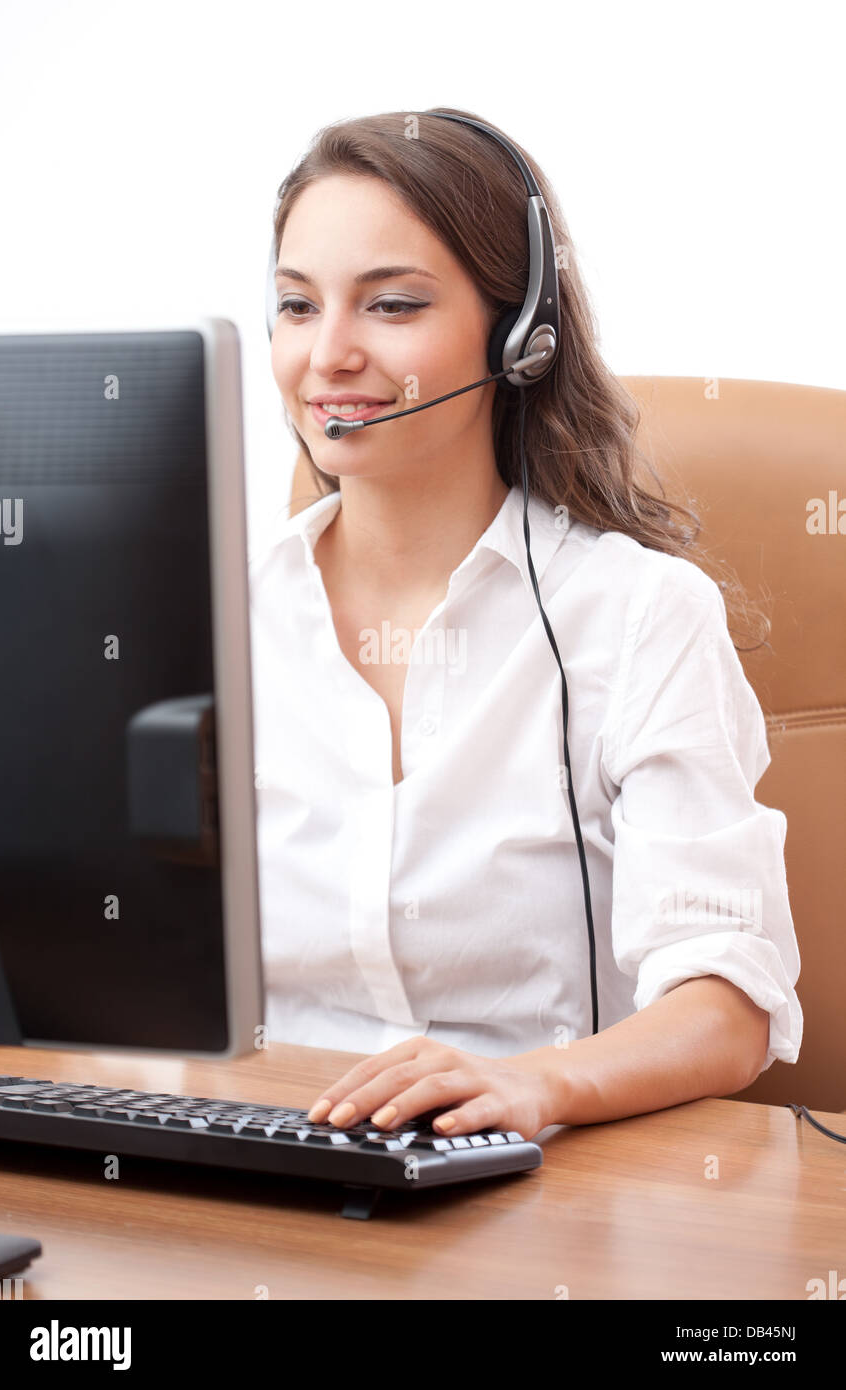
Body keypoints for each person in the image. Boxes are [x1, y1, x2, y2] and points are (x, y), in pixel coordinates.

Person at [248, 106, 802, 1141]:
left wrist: (538, 1085)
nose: (327, 355)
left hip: (545, 1191)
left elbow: (723, 1004)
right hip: (268, 1170)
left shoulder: (637, 618)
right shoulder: (225, 617)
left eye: (392, 305)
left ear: (516, 334)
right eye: (294, 306)